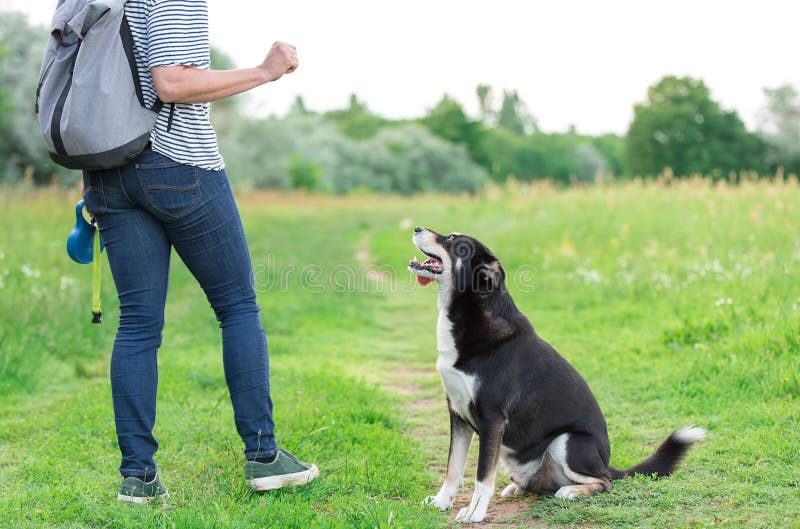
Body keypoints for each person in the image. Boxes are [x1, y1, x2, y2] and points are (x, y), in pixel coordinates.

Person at [81, 0, 318, 503]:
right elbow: (173, 83)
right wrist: (264, 71)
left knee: (139, 322)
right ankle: (263, 456)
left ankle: (138, 479)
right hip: (177, 162)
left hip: (107, 171)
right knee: (237, 306)